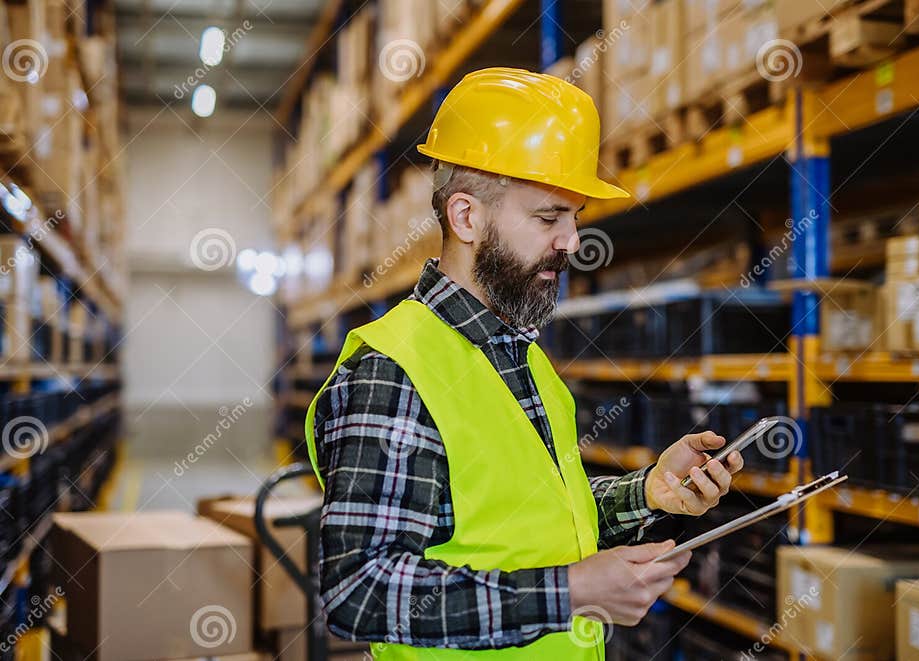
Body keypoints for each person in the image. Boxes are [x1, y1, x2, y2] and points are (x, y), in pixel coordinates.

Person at [305, 67, 745, 660]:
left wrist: (650, 493)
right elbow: (358, 591)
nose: (571, 242)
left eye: (574, 216)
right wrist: (570, 591)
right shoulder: (394, 371)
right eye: (547, 218)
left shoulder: (521, 355)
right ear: (466, 218)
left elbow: (530, 521)